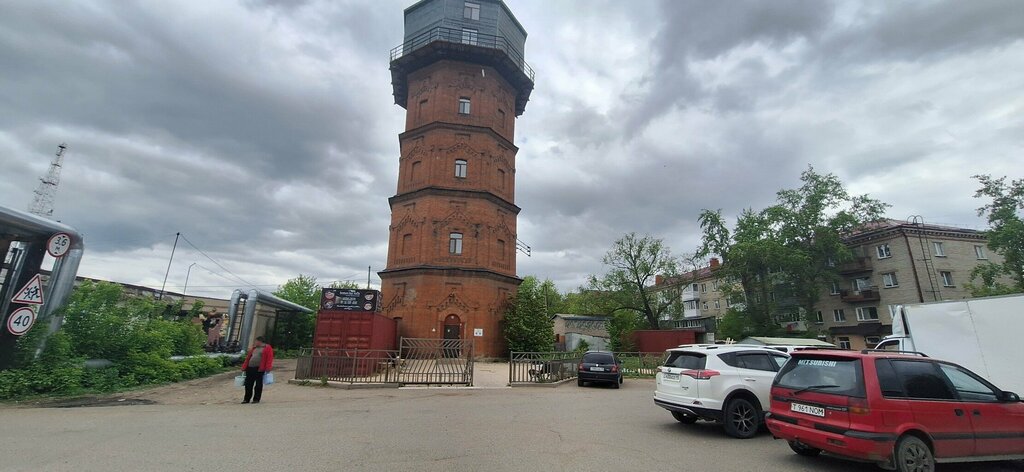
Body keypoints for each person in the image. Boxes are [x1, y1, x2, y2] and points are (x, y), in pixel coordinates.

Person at [240, 336, 274, 404]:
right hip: (250, 368)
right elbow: (248, 358)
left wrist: (268, 368)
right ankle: (246, 399)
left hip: (259, 369)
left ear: (260, 341)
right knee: (248, 384)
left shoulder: (267, 348)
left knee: (258, 384)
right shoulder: (254, 348)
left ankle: (256, 399)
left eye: (256, 341)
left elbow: (269, 358)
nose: (255, 342)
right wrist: (244, 367)